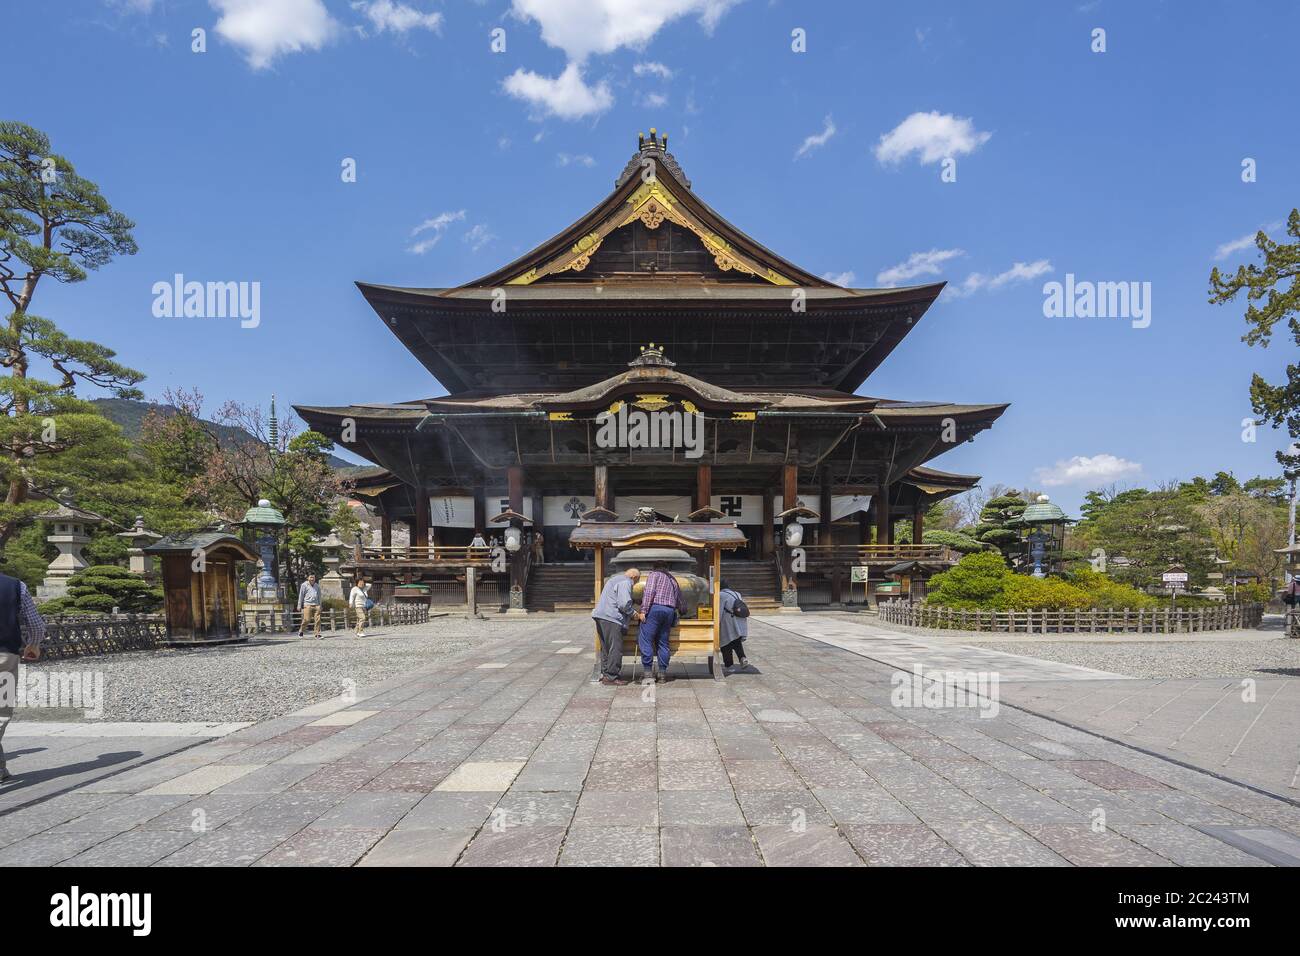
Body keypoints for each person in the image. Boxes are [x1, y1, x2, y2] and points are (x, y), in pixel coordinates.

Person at [0, 572, 45, 785]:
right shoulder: (16, 586)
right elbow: (36, 624)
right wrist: (33, 645)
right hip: (5, 656)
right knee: (0, 712)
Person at [591, 567, 641, 685]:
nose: (634, 585)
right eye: (636, 581)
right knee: (615, 648)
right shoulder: (626, 582)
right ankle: (612, 677)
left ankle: (606, 674)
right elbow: (623, 604)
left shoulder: (615, 579)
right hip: (612, 618)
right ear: (634, 577)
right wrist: (634, 614)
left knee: (606, 648)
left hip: (601, 616)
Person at [637, 562, 685, 683]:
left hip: (655, 609)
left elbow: (649, 593)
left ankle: (648, 673)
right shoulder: (672, 579)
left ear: (654, 567)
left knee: (646, 639)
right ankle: (662, 674)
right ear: (666, 568)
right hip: (669, 611)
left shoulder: (654, 575)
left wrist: (643, 610)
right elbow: (678, 599)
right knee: (663, 642)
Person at [719, 579, 751, 673]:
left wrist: (716, 622)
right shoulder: (737, 593)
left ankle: (729, 666)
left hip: (728, 621)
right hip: (739, 619)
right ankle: (742, 658)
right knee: (736, 640)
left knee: (725, 643)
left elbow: (719, 611)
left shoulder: (721, 595)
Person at [297, 573, 323, 638]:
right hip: (307, 604)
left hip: (316, 604)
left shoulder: (317, 586)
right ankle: (301, 631)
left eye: (313, 577)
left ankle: (317, 633)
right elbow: (301, 596)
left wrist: (320, 605)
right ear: (308, 578)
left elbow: (319, 596)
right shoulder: (304, 585)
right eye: (311, 577)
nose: (312, 579)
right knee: (307, 619)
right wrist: (299, 605)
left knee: (318, 620)